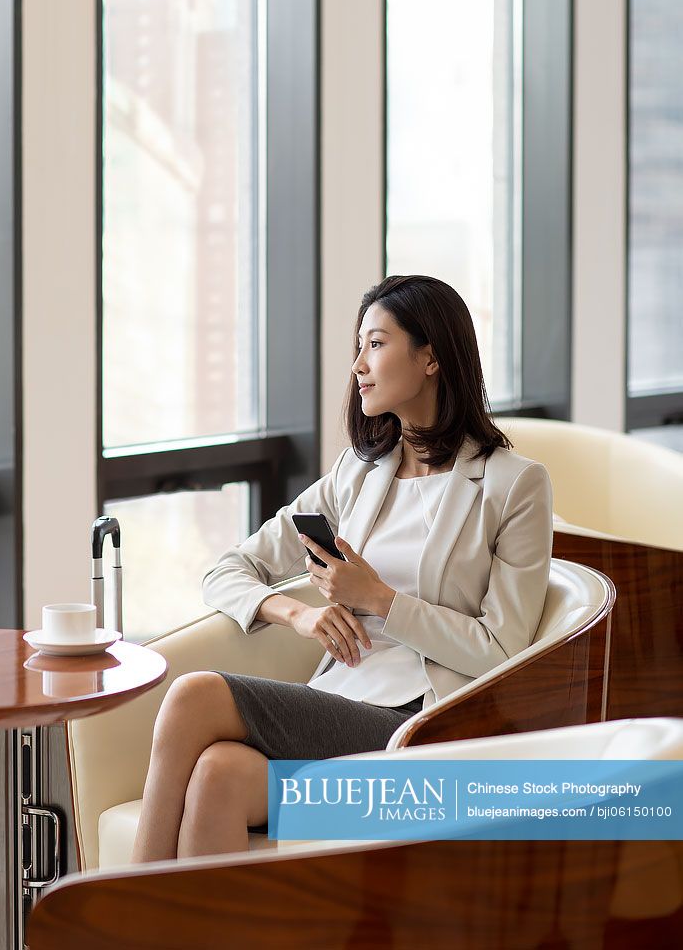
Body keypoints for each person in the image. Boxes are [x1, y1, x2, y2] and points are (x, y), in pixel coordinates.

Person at [131, 274, 553, 862]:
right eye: (358, 347)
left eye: (376, 344)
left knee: (193, 696)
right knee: (219, 776)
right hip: (341, 694)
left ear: (430, 356)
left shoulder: (512, 485)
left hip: (419, 727)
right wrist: (298, 616)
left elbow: (503, 654)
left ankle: (119, 910)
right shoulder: (357, 473)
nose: (358, 364)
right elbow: (229, 569)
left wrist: (380, 600)